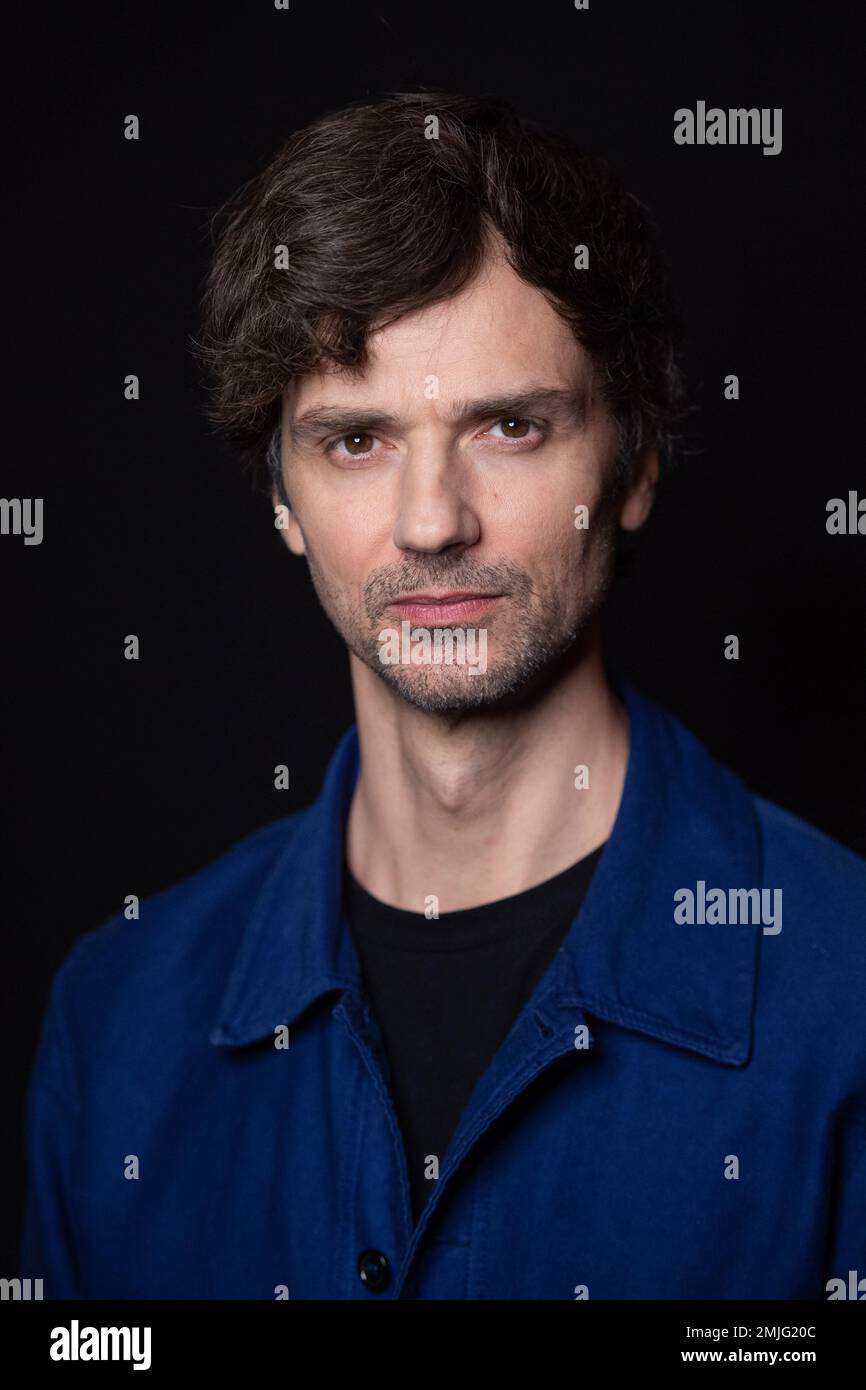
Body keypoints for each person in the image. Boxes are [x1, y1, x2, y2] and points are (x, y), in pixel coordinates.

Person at [19, 92, 866, 1300]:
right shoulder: (118, 1022)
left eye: (508, 426)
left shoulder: (845, 1005)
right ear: (281, 500)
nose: (430, 522)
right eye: (354, 440)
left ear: (632, 464)